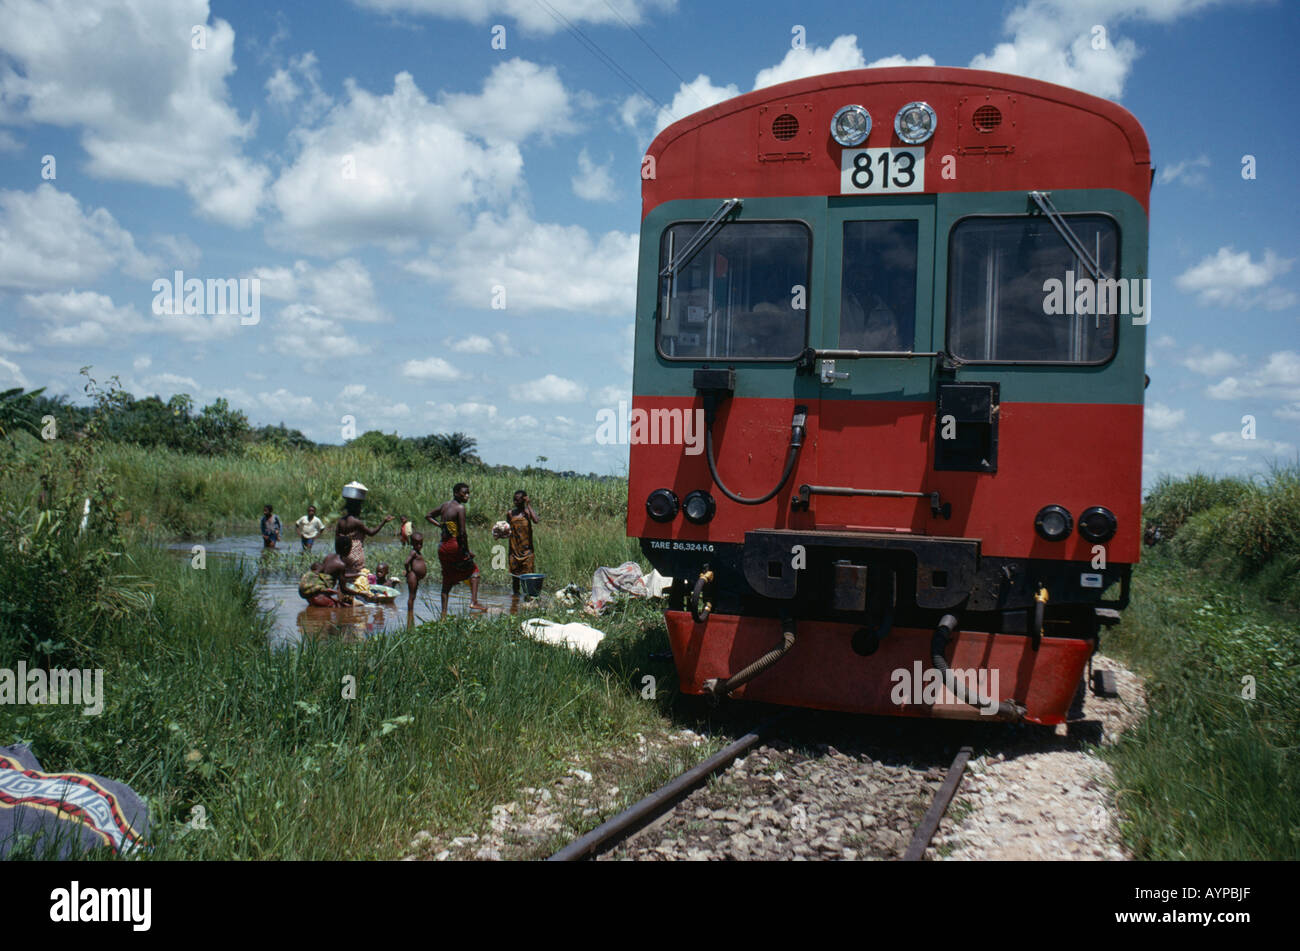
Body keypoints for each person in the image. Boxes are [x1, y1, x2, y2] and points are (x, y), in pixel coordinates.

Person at [427, 482, 485, 615]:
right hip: (454, 545)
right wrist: (467, 551)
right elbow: (463, 533)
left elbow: (428, 516)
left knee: (447, 578)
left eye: (468, 493)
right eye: (464, 493)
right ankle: (474, 602)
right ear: (456, 493)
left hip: (442, 547)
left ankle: (443, 614)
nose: (467, 496)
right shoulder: (460, 508)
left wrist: (441, 526)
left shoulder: (444, 506)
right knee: (474, 571)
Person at [335, 482, 392, 586]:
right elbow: (371, 533)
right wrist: (383, 522)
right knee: (357, 579)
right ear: (356, 508)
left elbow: (337, 539)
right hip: (355, 553)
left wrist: (340, 555)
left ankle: (343, 597)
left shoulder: (341, 521)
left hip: (343, 555)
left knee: (345, 577)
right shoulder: (356, 522)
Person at [503, 489, 540, 597]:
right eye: (514, 500)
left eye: (518, 500)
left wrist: (529, 505)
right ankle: (515, 603)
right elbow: (508, 530)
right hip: (514, 551)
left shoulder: (528, 513)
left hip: (527, 551)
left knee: (528, 578)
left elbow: (536, 520)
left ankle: (528, 601)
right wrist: (499, 534)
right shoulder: (510, 514)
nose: (515, 502)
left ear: (524, 500)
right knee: (515, 579)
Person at [404, 532, 427, 616]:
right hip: (413, 576)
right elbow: (406, 562)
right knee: (411, 596)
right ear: (412, 544)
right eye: (417, 544)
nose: (419, 546)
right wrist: (408, 572)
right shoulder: (413, 552)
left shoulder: (418, 553)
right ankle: (409, 614)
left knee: (413, 596)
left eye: (421, 544)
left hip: (416, 577)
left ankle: (411, 612)